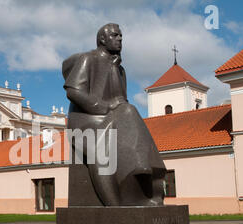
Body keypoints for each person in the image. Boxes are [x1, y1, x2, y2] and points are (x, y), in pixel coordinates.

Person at [62, 23, 166, 206]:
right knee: (103, 147)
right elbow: (73, 91)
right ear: (102, 39)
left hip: (112, 118)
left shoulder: (119, 68)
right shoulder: (88, 59)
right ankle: (115, 203)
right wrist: (105, 107)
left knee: (129, 111)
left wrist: (113, 71)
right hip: (86, 121)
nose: (119, 39)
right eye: (115, 35)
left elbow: (120, 99)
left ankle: (144, 182)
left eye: (121, 36)